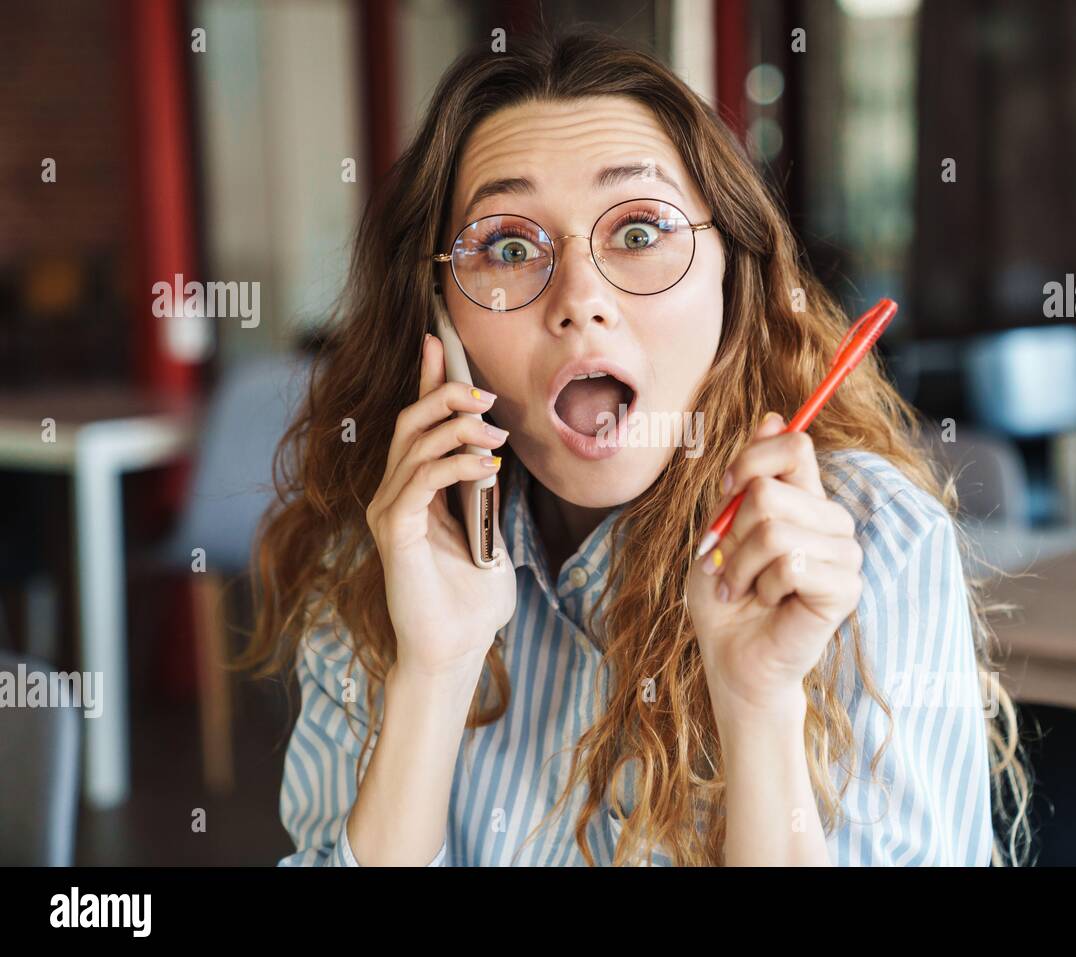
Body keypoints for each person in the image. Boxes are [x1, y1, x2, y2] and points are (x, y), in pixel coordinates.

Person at [244, 29, 1028, 867]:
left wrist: (756, 703)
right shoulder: (380, 556)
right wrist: (432, 675)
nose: (582, 299)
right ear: (438, 314)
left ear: (733, 273)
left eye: (641, 231)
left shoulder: (872, 548)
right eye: (509, 247)